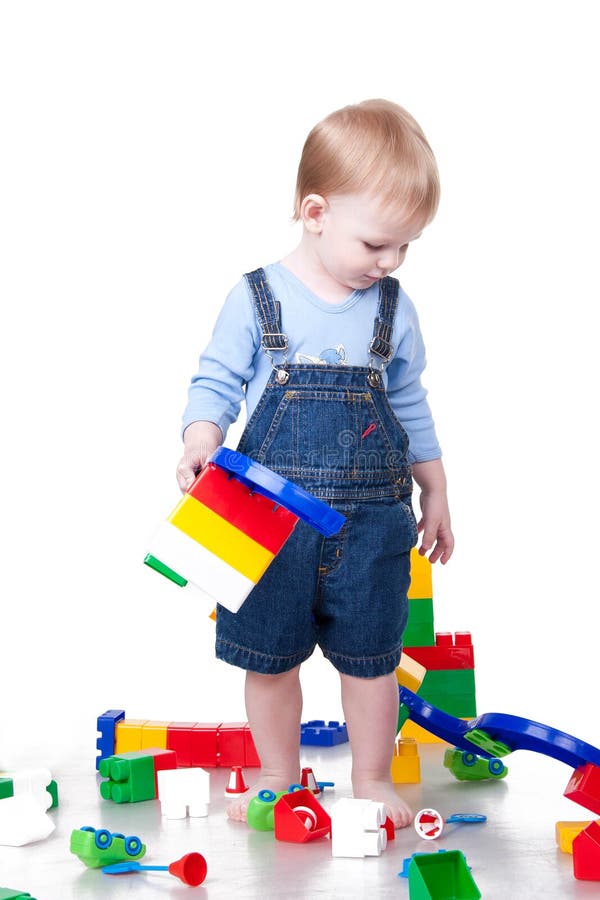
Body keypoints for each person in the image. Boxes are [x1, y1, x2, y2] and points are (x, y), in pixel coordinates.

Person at [176, 99, 454, 829]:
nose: (390, 262)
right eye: (377, 244)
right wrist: (200, 437)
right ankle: (275, 773)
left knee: (372, 661)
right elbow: (216, 379)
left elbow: (412, 405)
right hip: (269, 524)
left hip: (371, 527)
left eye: (405, 248)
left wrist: (437, 492)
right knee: (268, 659)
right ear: (315, 212)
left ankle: (369, 776)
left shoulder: (394, 309)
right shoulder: (258, 297)